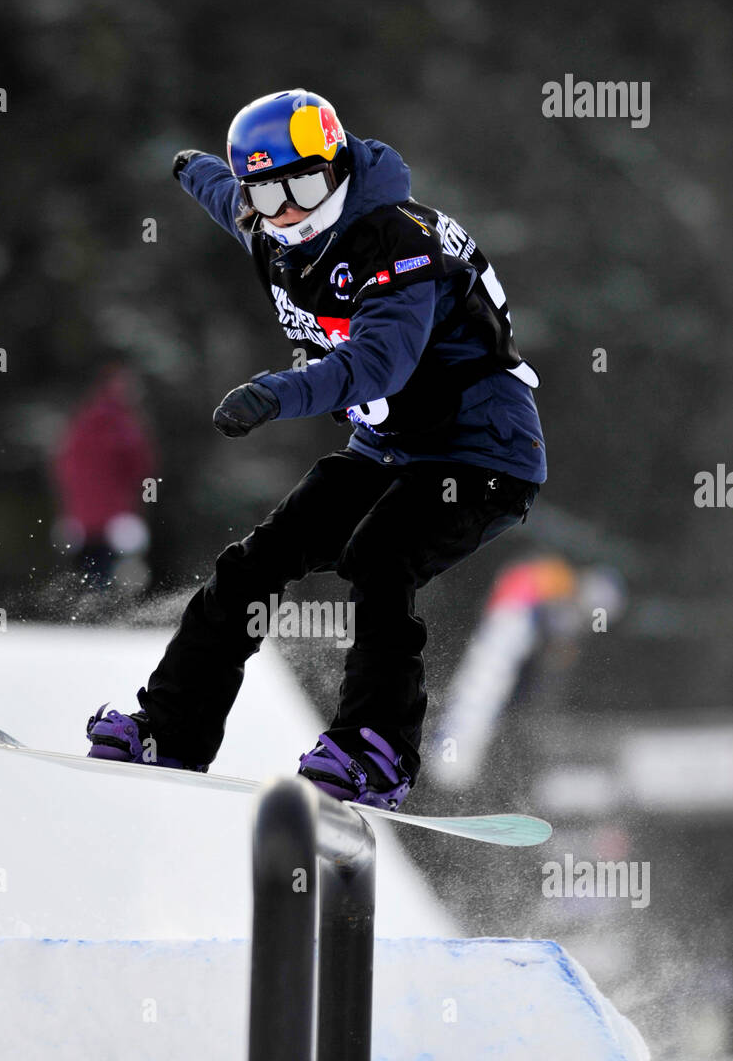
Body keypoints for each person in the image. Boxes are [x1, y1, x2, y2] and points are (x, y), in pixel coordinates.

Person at [86, 89, 547, 810]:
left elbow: (377, 365)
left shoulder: (397, 242)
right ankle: (170, 730)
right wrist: (194, 168)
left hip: (481, 451)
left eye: (303, 185)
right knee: (251, 566)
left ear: (336, 169)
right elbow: (225, 197)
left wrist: (277, 393)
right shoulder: (271, 225)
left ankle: (376, 750)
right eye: (268, 197)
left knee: (381, 555)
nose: (290, 211)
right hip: (389, 446)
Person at [53, 364, 156, 590]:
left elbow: (64, 465)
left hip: (83, 513)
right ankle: (110, 612)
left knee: (90, 567)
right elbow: (141, 466)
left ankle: (88, 610)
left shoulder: (81, 421)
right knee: (117, 566)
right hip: (115, 511)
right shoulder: (125, 426)